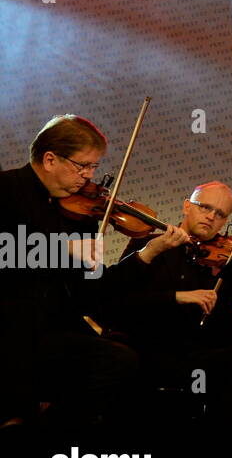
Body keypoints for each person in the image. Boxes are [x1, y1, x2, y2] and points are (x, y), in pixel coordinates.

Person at [0, 115, 189, 426]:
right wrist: (61, 248)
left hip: (52, 331)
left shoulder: (83, 216)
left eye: (93, 167)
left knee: (121, 362)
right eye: (82, 166)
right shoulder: (5, 190)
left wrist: (147, 253)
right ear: (50, 159)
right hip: (10, 329)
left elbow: (93, 292)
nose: (89, 177)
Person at [96, 182, 232, 427]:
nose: (211, 216)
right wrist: (177, 296)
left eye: (220, 214)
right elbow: (117, 305)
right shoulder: (150, 245)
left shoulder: (224, 264)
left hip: (192, 358)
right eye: (205, 207)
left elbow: (224, 329)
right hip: (147, 350)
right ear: (187, 206)